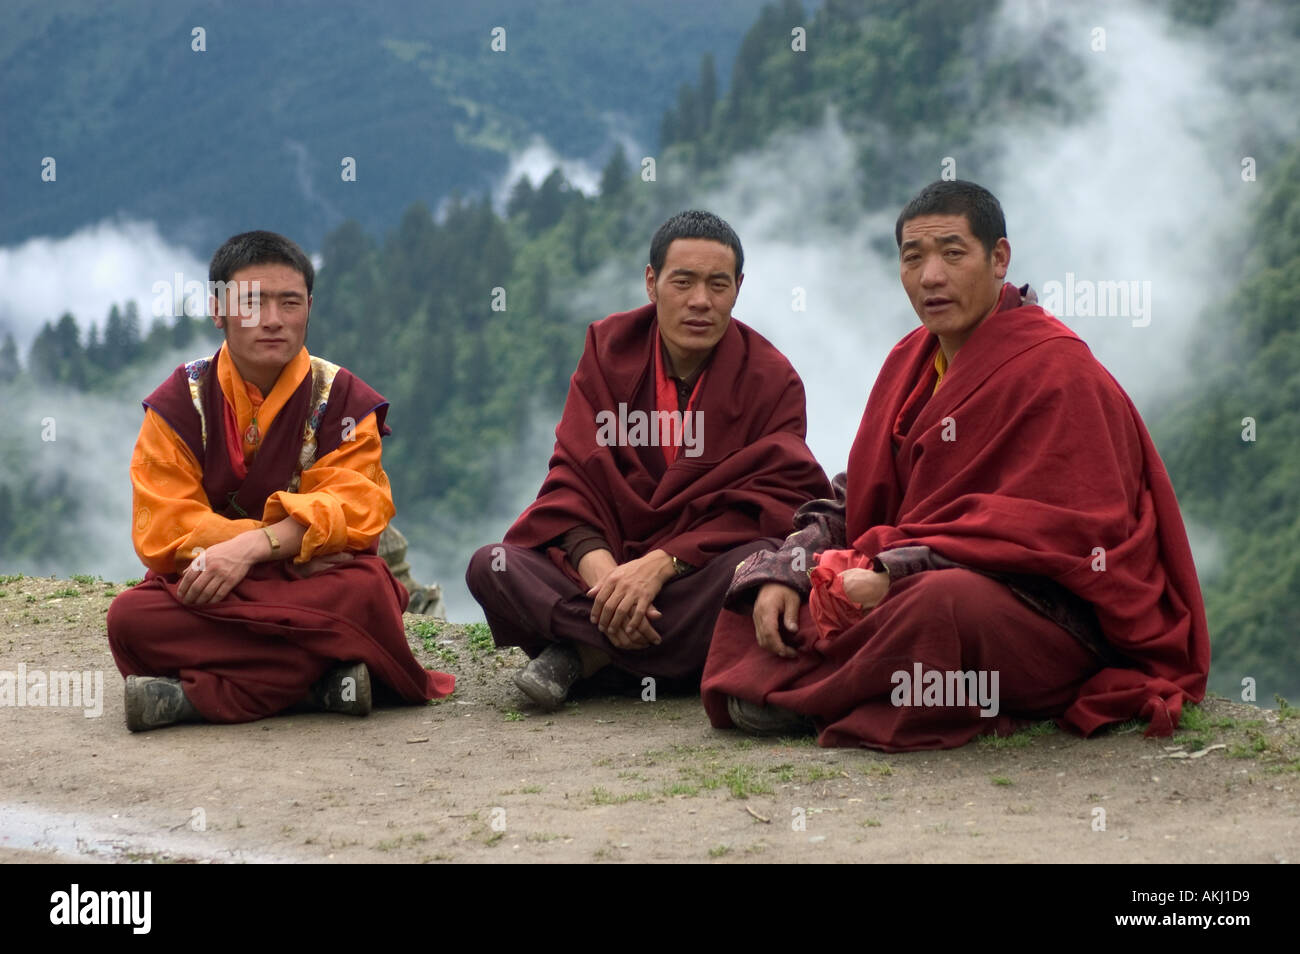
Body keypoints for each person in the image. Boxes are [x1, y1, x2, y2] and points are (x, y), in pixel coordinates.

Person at [701, 181, 1210, 750]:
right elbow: (862, 494)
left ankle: (808, 693)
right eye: (913, 258)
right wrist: (791, 566)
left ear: (999, 258)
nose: (931, 276)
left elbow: (1068, 534)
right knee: (758, 567)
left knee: (937, 606)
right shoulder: (908, 361)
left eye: (952, 252)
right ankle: (831, 686)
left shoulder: (1058, 371)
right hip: (908, 571)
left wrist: (899, 568)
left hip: (1045, 614)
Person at [466, 210, 831, 709]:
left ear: (739, 288)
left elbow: (778, 502)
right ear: (652, 283)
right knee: (493, 565)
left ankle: (583, 656)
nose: (701, 301)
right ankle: (659, 652)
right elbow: (574, 479)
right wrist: (610, 581)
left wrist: (664, 563)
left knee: (753, 564)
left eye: (718, 285)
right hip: (612, 562)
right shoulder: (608, 350)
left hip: (696, 571)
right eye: (683, 282)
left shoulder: (771, 379)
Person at [106, 230, 454, 731]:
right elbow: (163, 528)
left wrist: (249, 552)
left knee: (367, 594)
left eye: (289, 302)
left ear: (308, 307)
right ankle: (319, 685)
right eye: (252, 302)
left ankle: (198, 698)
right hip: (265, 581)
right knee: (131, 620)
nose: (272, 319)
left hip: (303, 585)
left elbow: (359, 507)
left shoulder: (342, 399)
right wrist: (289, 550)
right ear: (218, 310)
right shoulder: (180, 405)